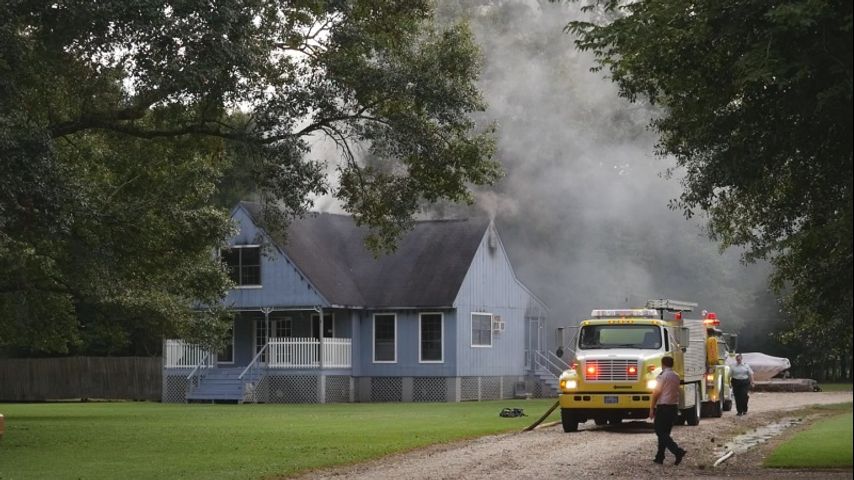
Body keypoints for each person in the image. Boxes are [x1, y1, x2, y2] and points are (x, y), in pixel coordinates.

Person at [649, 356, 687, 465]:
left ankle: (677, 451)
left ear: (663, 364)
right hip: (673, 407)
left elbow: (656, 393)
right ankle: (660, 457)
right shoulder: (676, 376)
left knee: (659, 431)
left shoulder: (662, 376)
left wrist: (651, 408)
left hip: (663, 407)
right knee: (665, 433)